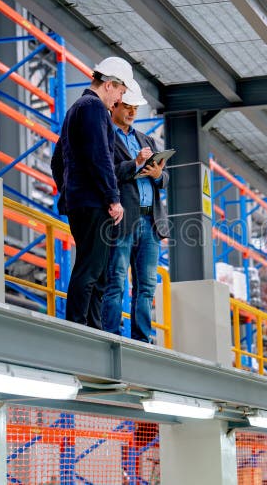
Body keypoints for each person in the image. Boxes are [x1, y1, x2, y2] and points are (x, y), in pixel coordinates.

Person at [51, 56, 138, 329]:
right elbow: (101, 157)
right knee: (92, 269)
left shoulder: (76, 109)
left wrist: (69, 190)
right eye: (121, 93)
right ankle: (80, 326)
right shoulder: (94, 108)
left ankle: (91, 326)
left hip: (80, 201)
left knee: (95, 269)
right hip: (93, 202)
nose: (119, 101)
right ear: (110, 85)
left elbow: (57, 161)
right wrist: (113, 198)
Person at [101, 88, 169, 342]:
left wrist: (158, 175)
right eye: (127, 106)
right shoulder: (106, 137)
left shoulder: (146, 140)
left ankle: (142, 338)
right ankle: (111, 335)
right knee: (117, 280)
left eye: (135, 108)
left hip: (150, 222)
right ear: (115, 105)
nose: (132, 112)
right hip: (123, 220)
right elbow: (107, 172)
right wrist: (136, 165)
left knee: (147, 286)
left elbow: (165, 180)